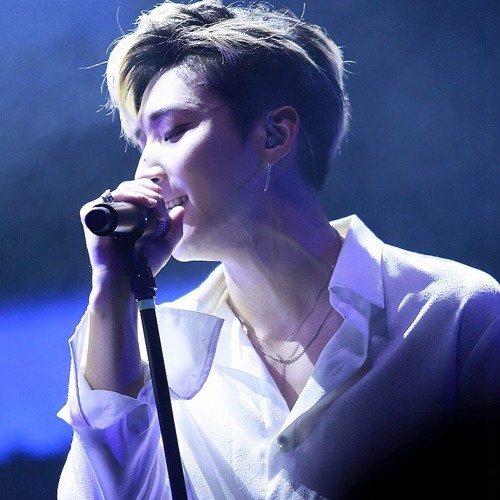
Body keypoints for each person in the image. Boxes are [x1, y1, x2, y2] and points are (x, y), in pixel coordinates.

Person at [57, 0, 500, 498]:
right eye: (143, 143)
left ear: (274, 133)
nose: (146, 171)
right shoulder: (154, 353)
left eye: (174, 131)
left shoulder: (455, 315)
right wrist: (113, 290)